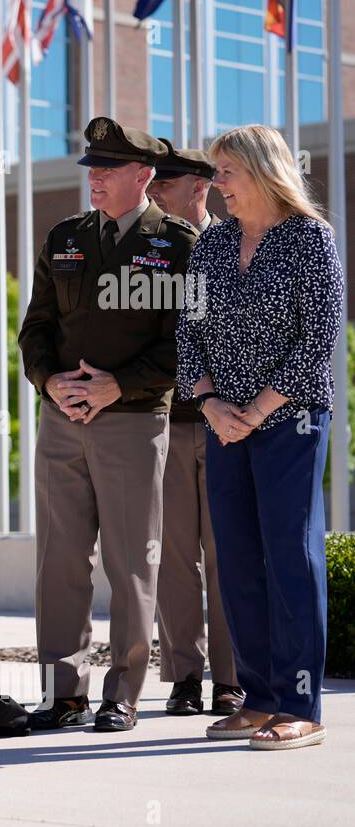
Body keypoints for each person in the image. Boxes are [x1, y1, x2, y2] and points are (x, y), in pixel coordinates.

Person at [19, 117, 198, 732]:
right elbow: (35, 328)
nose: (93, 179)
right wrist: (50, 381)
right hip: (61, 420)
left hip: (132, 422)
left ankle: (121, 692)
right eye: (91, 169)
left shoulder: (180, 244)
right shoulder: (64, 237)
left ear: (144, 176)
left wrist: (118, 384)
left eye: (108, 170)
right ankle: (62, 692)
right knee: (61, 561)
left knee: (131, 561)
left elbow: (190, 341)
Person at [177, 124, 343, 750]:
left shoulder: (311, 239)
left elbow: (318, 336)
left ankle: (301, 704)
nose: (216, 186)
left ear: (263, 172)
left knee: (290, 554)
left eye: (225, 173)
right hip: (223, 421)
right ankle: (260, 697)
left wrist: (257, 409)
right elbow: (188, 331)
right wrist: (214, 401)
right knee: (238, 557)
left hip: (292, 418)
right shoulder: (212, 246)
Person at [147, 143, 244, 717]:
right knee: (174, 560)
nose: (155, 191)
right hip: (167, 424)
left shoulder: (230, 244)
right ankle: (185, 676)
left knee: (227, 553)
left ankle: (231, 679)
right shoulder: (148, 249)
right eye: (154, 183)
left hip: (228, 424)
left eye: (165, 183)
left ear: (198, 188)